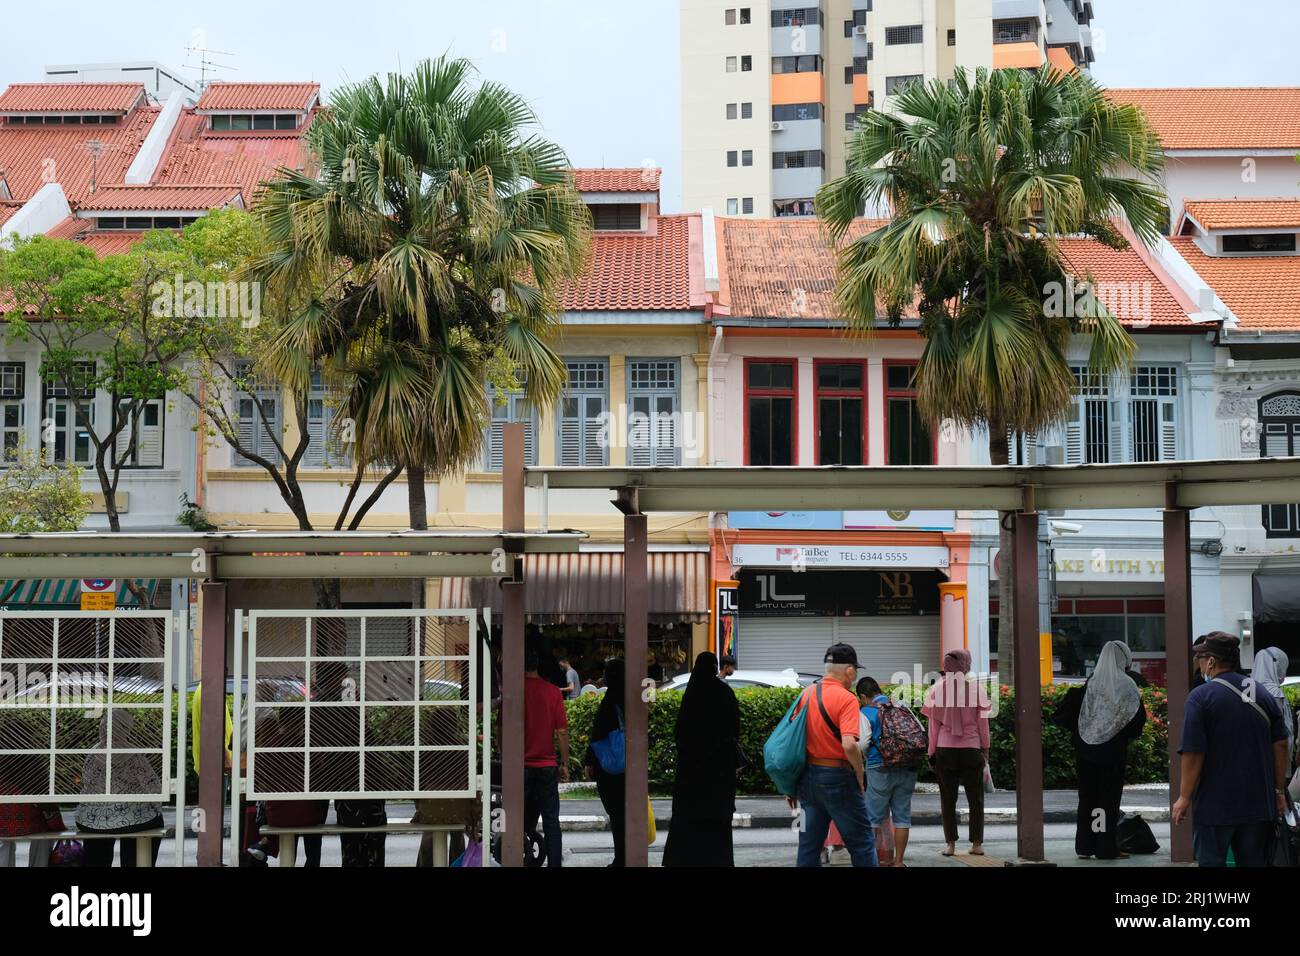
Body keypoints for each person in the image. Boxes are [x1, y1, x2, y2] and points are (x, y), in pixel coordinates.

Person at [1173, 632, 1290, 867]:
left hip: (1216, 805)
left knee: (1212, 862)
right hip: (1258, 803)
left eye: (1202, 658)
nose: (1200, 664)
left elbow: (1194, 751)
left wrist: (1184, 797)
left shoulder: (1200, 697)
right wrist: (1278, 791)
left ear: (1212, 661)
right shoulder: (1262, 693)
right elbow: (1281, 743)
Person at [1052, 641, 1147, 859]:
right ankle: (1105, 847)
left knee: (1088, 798)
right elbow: (1136, 720)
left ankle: (1086, 846)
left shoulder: (1092, 682)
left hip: (1085, 751)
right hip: (1111, 753)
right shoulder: (1126, 684)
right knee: (1107, 800)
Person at [791, 643, 878, 868]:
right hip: (838, 777)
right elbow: (849, 745)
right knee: (862, 842)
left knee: (809, 846)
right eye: (855, 671)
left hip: (808, 779)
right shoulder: (846, 698)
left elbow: (794, 741)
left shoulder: (806, 693)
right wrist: (859, 773)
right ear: (849, 670)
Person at [663, 652, 740, 867]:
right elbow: (735, 728)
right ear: (715, 667)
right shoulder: (724, 692)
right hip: (719, 771)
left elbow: (680, 733)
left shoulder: (692, 694)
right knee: (717, 823)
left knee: (688, 821)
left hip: (691, 772)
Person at [923, 649, 991, 857]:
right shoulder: (976, 689)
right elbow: (983, 724)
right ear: (966, 664)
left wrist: (931, 752)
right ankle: (976, 844)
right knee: (976, 798)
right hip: (971, 749)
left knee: (947, 799)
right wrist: (985, 749)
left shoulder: (936, 690)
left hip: (945, 750)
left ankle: (950, 845)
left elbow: (933, 726)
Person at [77, 709, 165, 867]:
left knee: (99, 841)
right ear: (125, 728)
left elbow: (86, 781)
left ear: (102, 727)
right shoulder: (132, 754)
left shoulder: (92, 752)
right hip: (132, 821)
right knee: (153, 819)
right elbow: (155, 789)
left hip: (90, 821)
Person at [860, 675, 918, 867]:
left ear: (863, 696)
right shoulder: (901, 706)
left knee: (872, 818)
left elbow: (861, 744)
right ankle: (899, 862)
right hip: (907, 766)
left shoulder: (866, 711)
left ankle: (874, 861)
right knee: (902, 816)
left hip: (879, 767)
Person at [524, 645, 570, 867]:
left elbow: (500, 730)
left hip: (521, 766)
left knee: (518, 819)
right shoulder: (552, 692)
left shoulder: (513, 692)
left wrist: (506, 756)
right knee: (551, 821)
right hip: (547, 766)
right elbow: (561, 731)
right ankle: (554, 865)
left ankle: (518, 858)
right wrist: (564, 763)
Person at [586, 658, 626, 866]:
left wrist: (589, 760)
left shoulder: (610, 700)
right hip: (628, 765)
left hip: (610, 768)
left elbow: (598, 734)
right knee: (625, 814)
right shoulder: (629, 697)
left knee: (617, 815)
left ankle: (621, 857)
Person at [1252, 647, 1294, 770]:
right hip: (1273, 761)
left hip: (1253, 759)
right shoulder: (1275, 693)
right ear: (1276, 665)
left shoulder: (1248, 690)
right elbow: (1282, 737)